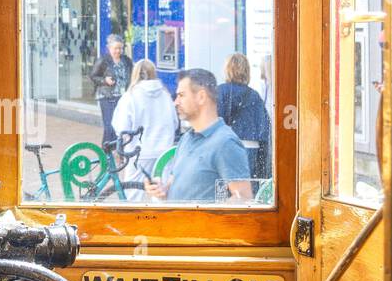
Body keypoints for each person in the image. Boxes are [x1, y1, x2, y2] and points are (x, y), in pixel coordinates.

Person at [144, 68, 253, 203]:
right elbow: (174, 186)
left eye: (182, 95)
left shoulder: (226, 143)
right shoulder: (186, 139)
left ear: (201, 97)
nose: (175, 102)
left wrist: (207, 220)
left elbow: (243, 198)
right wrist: (163, 190)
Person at [111, 58, 178, 181]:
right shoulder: (165, 95)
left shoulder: (130, 97)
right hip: (164, 152)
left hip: (138, 153)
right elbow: (175, 122)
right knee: (161, 194)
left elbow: (121, 128)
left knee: (133, 194)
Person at [216, 52, 272, 180]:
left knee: (227, 191)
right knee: (248, 192)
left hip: (228, 148)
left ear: (227, 70)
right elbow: (264, 130)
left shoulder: (220, 92)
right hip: (251, 149)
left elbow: (214, 123)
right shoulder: (254, 95)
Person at [90, 35, 133, 145]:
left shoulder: (126, 60)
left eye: (120, 48)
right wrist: (105, 80)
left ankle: (115, 149)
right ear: (109, 48)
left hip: (123, 97)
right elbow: (93, 76)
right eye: (115, 48)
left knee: (120, 125)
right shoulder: (103, 60)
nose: (118, 51)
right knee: (110, 126)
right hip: (107, 97)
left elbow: (133, 74)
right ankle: (107, 151)